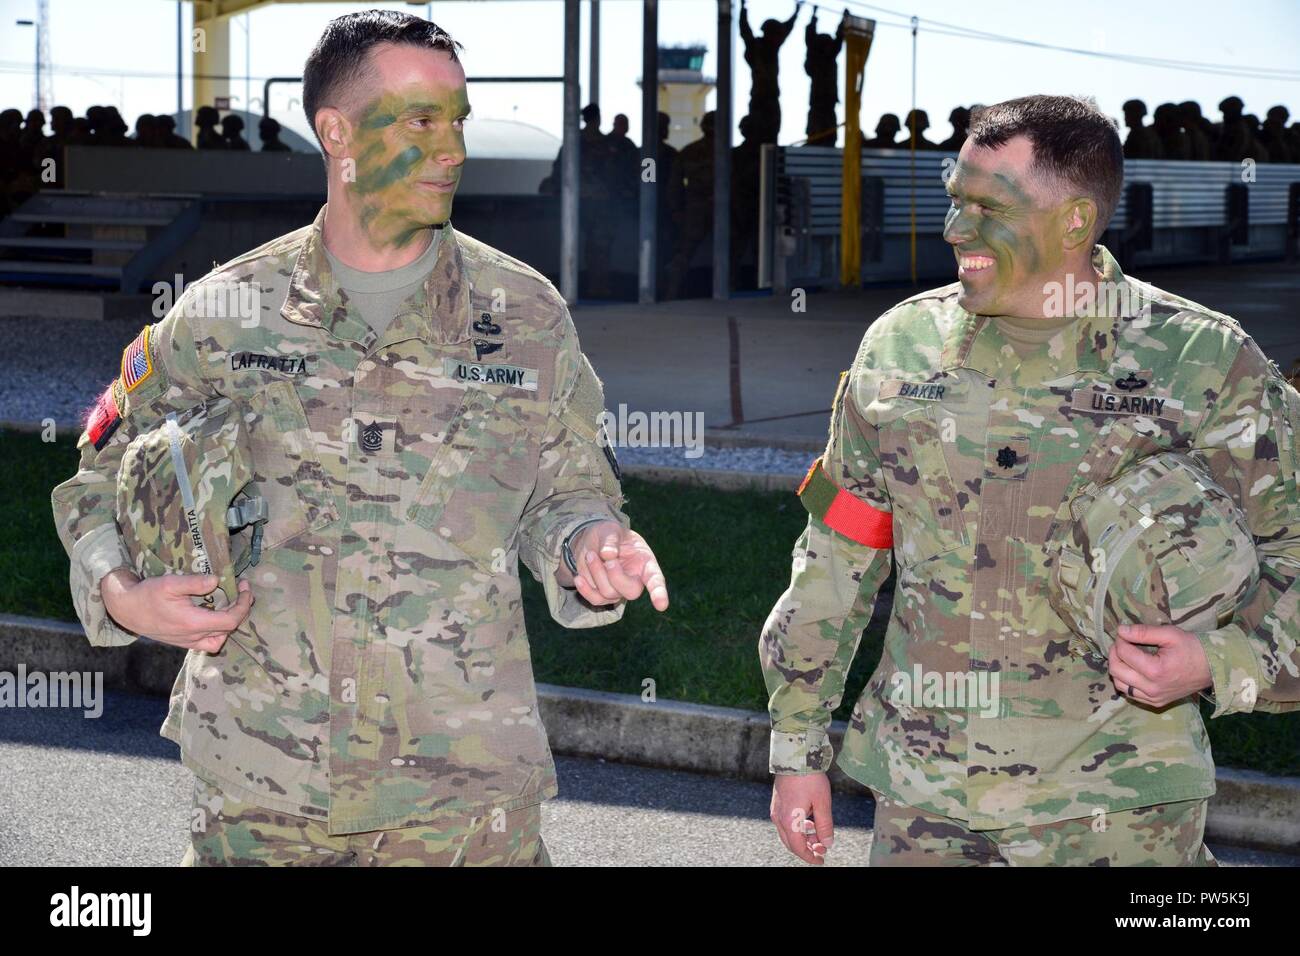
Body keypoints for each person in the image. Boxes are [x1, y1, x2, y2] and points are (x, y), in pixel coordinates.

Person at [52, 8, 670, 868]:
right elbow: (98, 473)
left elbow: (565, 490)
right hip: (265, 792)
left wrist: (591, 542)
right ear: (335, 132)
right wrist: (121, 594)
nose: (453, 147)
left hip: (461, 799)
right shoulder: (224, 313)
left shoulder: (524, 314)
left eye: (457, 118)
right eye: (420, 119)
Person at [760, 94, 1300, 867]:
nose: (955, 230)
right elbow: (839, 553)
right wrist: (798, 745)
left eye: (987, 207)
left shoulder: (1205, 364)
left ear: (1075, 221)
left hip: (1116, 810)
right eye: (955, 202)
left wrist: (1218, 663)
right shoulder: (901, 348)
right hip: (924, 801)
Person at [740, 0, 802, 144]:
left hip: (768, 99)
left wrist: (796, 13)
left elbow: (786, 28)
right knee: (760, 137)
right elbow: (745, 30)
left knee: (770, 138)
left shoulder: (771, 46)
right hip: (761, 99)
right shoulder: (758, 46)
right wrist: (743, 10)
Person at [803, 7, 845, 146]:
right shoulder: (817, 60)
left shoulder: (829, 57)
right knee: (818, 130)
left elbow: (839, 38)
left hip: (827, 103)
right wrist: (813, 17)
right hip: (819, 103)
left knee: (828, 132)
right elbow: (810, 37)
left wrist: (843, 19)